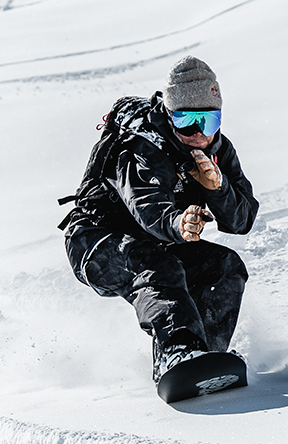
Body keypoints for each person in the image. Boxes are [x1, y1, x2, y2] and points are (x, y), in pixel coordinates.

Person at [61, 55, 259, 387]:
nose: (198, 133)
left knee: (224, 265)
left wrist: (218, 188)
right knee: (159, 267)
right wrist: (179, 223)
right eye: (186, 121)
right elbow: (148, 208)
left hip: (156, 242)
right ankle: (176, 353)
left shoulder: (218, 150)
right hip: (95, 240)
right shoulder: (142, 147)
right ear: (169, 115)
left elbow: (243, 220)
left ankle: (205, 357)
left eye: (208, 121)